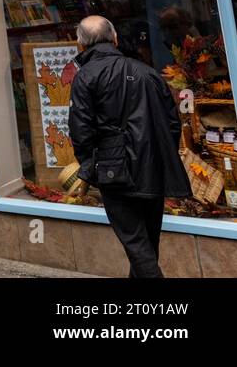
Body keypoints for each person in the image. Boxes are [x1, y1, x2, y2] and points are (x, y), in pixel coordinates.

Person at [69, 15, 191, 278]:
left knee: (137, 244)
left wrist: (93, 167)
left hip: (115, 171)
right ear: (114, 39)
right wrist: (159, 153)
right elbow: (172, 123)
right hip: (152, 167)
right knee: (146, 242)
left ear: (81, 45)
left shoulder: (86, 77)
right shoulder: (147, 72)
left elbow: (81, 132)